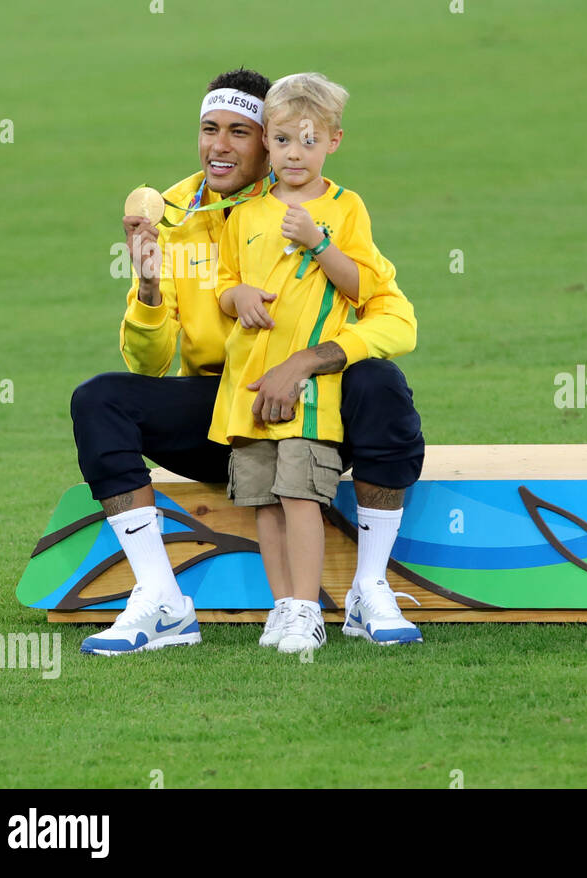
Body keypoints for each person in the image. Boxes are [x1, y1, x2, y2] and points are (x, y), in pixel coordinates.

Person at [73, 68, 426, 655]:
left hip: (320, 412)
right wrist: (150, 288)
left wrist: (312, 359)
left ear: (272, 139)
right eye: (210, 129)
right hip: (228, 414)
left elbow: (396, 318)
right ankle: (161, 599)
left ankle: (370, 586)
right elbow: (150, 363)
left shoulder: (327, 210)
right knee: (99, 399)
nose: (220, 146)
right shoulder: (173, 216)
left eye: (241, 132)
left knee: (379, 380)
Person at [214, 71, 383, 653]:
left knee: (299, 495)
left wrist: (318, 241)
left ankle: (309, 608)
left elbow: (361, 285)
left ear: (333, 141)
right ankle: (281, 606)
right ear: (267, 141)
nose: (294, 153)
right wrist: (238, 299)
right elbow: (226, 284)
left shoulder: (345, 207)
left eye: (309, 141)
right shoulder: (246, 212)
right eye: (283, 140)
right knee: (262, 499)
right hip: (249, 386)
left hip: (310, 394)